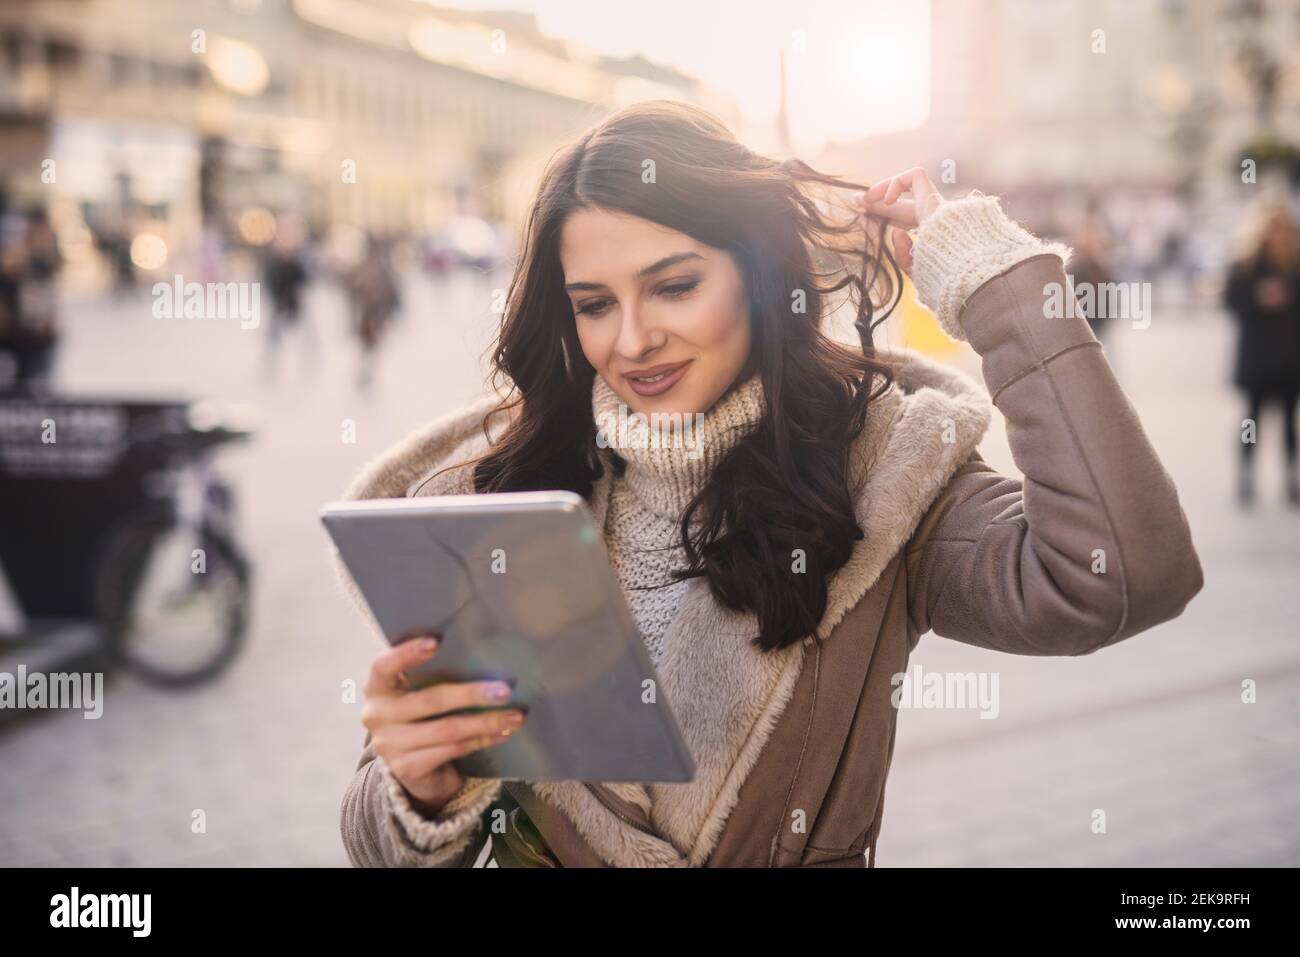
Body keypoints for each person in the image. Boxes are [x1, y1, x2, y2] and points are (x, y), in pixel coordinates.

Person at [335, 101, 1203, 868]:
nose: (632, 339)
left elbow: (1120, 572)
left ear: (756, 275)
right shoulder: (505, 490)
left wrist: (989, 281)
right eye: (594, 303)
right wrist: (417, 785)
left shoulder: (887, 470)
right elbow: (379, 839)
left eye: (674, 285)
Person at [1223, 200, 1300, 506]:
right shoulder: (1246, 266)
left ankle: (1290, 479)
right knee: (1251, 420)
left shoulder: (1294, 266)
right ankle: (1246, 477)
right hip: (1257, 356)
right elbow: (1232, 302)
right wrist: (1258, 299)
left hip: (1289, 357)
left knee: (1289, 422)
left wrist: (1287, 298)